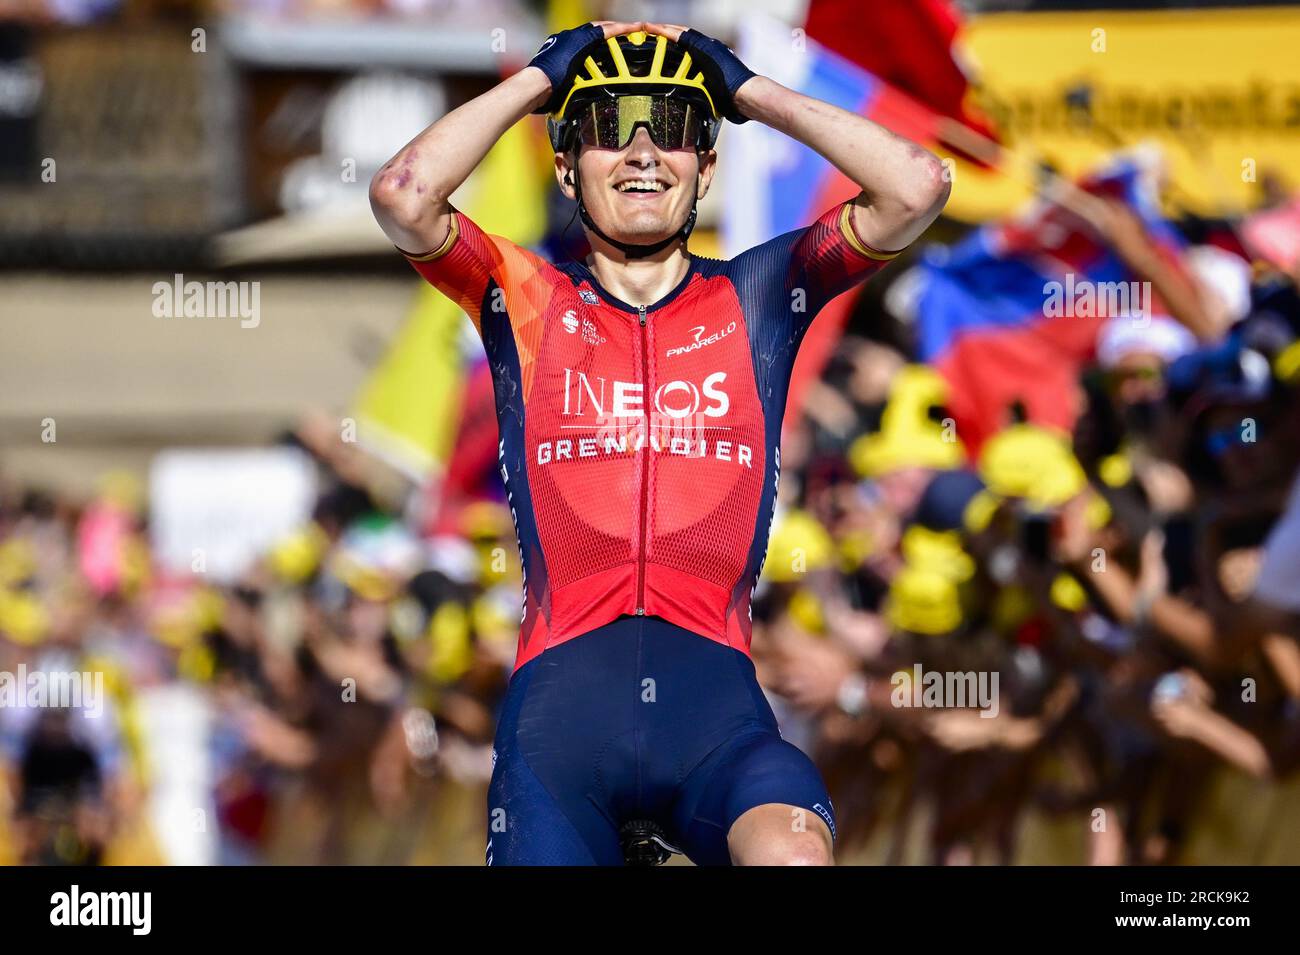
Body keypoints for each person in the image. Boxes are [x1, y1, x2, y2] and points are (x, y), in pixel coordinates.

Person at [369, 20, 949, 866]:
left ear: (705, 166)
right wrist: (540, 79)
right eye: (608, 128)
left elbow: (918, 184)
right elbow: (403, 196)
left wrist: (745, 89)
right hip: (561, 728)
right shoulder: (522, 294)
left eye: (674, 129)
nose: (644, 152)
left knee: (794, 855)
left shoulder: (761, 295)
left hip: (716, 717)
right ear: (566, 167)